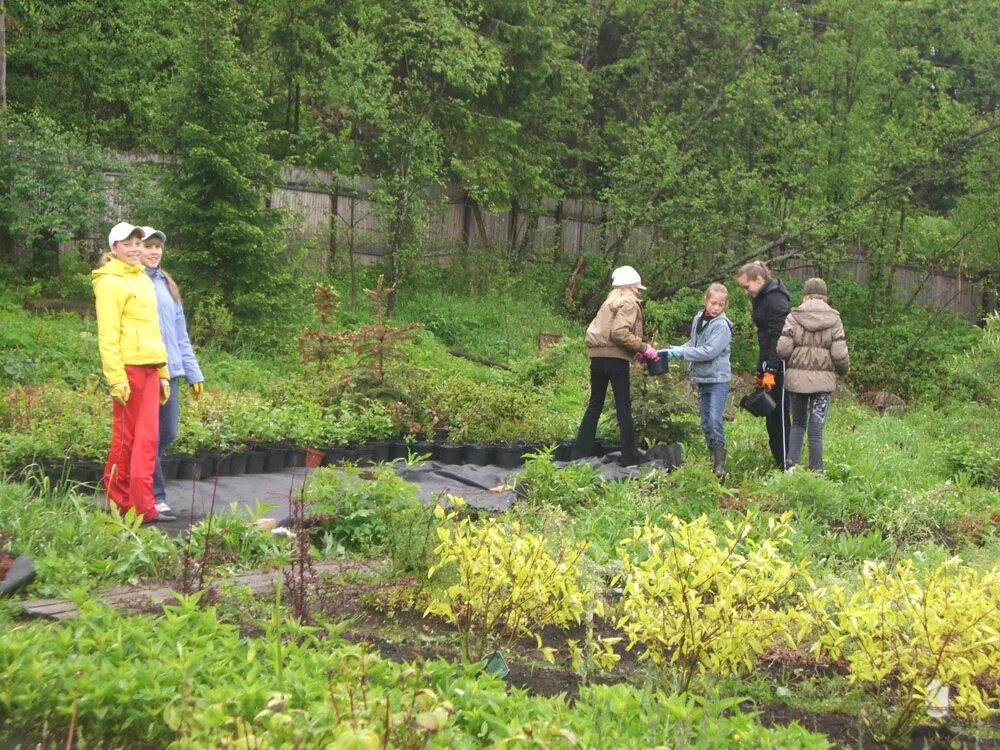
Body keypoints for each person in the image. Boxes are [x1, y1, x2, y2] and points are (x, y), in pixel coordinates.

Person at [92, 222, 174, 524]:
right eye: (127, 243)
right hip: (128, 370)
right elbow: (108, 335)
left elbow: (154, 330)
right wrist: (115, 377)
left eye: (138, 243)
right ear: (114, 248)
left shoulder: (142, 279)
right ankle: (119, 504)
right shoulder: (110, 281)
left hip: (151, 368)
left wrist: (163, 371)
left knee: (148, 441)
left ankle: (143, 505)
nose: (135, 248)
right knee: (125, 441)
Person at [139, 226, 205, 513]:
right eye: (148, 246)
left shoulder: (167, 283)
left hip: (173, 371)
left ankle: (141, 481)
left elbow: (181, 335)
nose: (154, 252)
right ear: (135, 249)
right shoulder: (134, 283)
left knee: (167, 433)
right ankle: (155, 496)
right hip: (149, 369)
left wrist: (194, 372)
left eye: (158, 247)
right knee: (149, 434)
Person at [571, 265, 660, 467]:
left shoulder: (608, 303)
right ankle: (629, 458)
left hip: (597, 358)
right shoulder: (629, 303)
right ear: (630, 287)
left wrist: (633, 350)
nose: (638, 292)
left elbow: (604, 332)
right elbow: (619, 333)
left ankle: (578, 456)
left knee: (594, 405)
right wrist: (644, 348)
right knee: (623, 408)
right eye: (637, 288)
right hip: (615, 361)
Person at [776, 277, 850, 472]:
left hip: (796, 382)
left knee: (798, 425)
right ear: (825, 297)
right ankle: (816, 473)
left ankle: (792, 469)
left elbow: (782, 350)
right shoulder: (834, 319)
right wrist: (844, 370)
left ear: (805, 296)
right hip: (822, 385)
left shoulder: (793, 317)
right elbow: (839, 354)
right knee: (815, 431)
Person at [662, 283, 733, 478]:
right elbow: (694, 344)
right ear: (705, 301)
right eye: (713, 303)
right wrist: (674, 349)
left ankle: (720, 464)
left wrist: (681, 354)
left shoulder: (722, 326)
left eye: (721, 304)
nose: (716, 308)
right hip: (702, 377)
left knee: (714, 419)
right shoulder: (698, 319)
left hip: (718, 378)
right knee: (705, 421)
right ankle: (712, 456)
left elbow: (709, 351)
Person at [736, 260, 791, 469]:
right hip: (770, 361)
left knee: (780, 414)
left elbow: (779, 336)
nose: (746, 291)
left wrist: (772, 369)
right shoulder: (760, 297)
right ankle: (780, 461)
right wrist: (761, 369)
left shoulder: (776, 299)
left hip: (781, 365)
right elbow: (764, 336)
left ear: (759, 279)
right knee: (771, 415)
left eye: (746, 286)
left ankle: (787, 464)